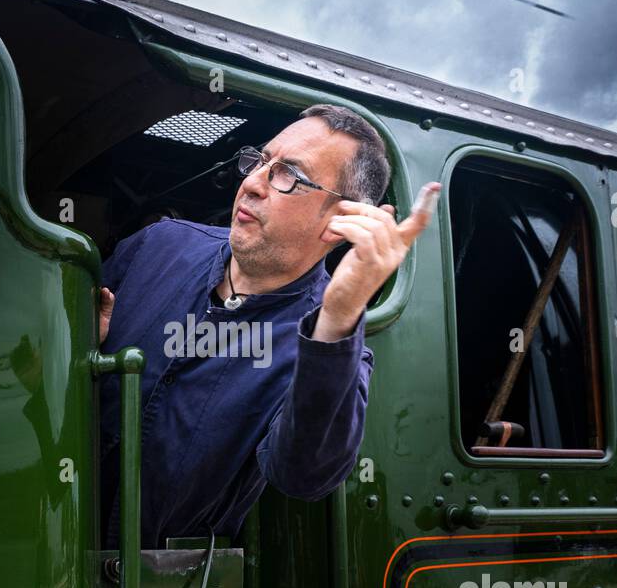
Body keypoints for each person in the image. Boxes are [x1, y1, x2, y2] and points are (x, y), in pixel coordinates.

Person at [97, 103, 439, 552]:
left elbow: (304, 476)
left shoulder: (326, 350)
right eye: (261, 160)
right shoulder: (157, 245)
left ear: (341, 221)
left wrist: (338, 316)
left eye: (289, 176)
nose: (254, 183)